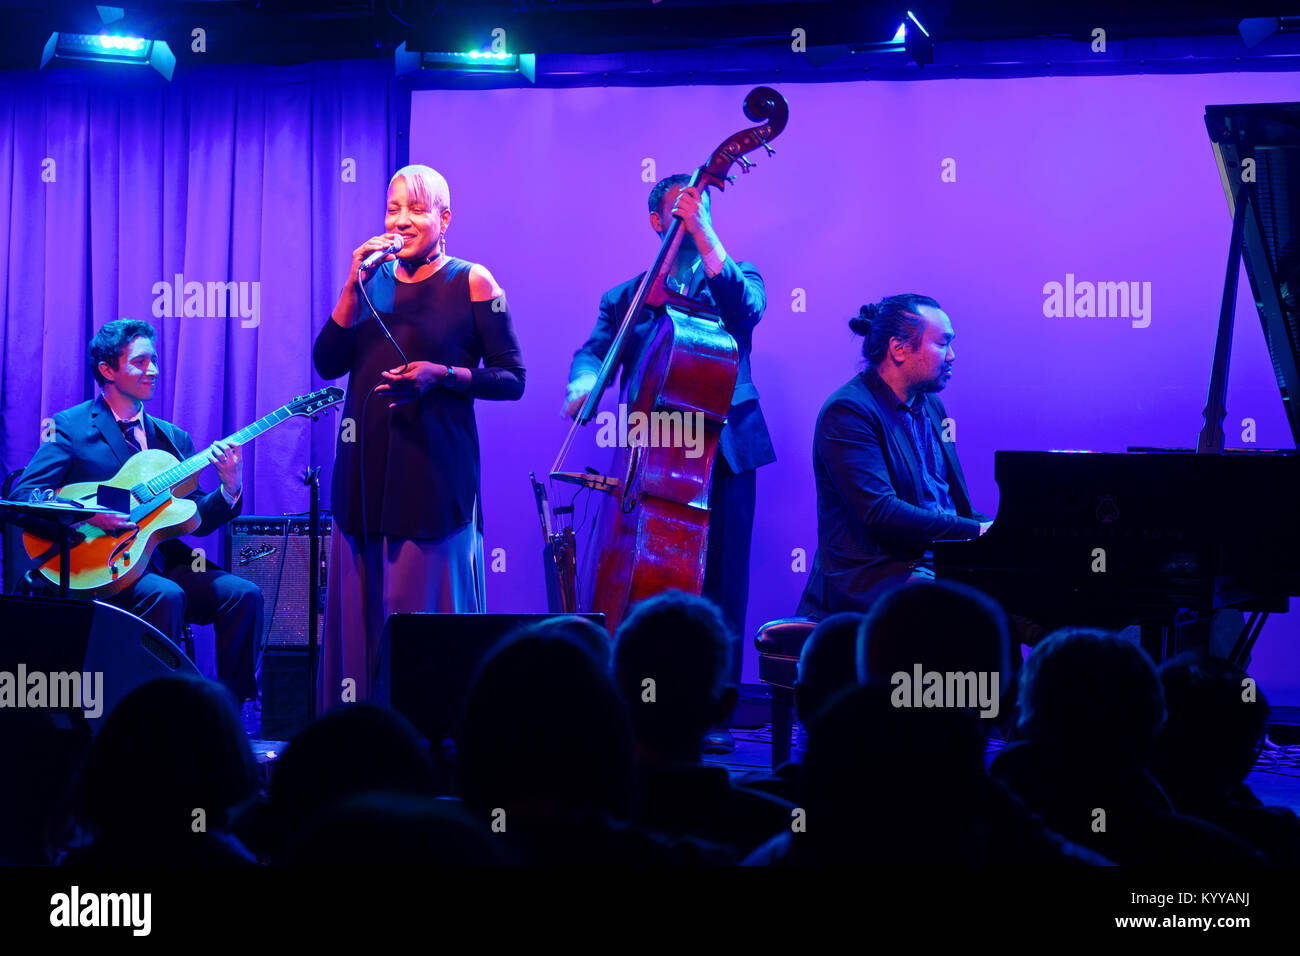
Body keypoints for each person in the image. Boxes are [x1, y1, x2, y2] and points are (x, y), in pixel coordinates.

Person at [565, 174, 776, 750]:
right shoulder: (627, 296)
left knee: (723, 581)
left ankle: (713, 713)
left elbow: (746, 310)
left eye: (701, 209)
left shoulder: (734, 276)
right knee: (644, 577)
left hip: (723, 450)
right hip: (652, 449)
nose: (689, 218)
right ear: (657, 222)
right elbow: (594, 349)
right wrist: (585, 381)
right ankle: (634, 699)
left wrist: (706, 234)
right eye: (679, 212)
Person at [313, 164, 525, 708]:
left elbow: (511, 378)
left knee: (419, 623)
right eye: (392, 208)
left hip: (432, 473)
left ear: (444, 219)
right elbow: (326, 362)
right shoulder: (370, 283)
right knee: (359, 621)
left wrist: (443, 376)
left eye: (416, 209)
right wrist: (349, 287)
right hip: (365, 470)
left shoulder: (475, 281)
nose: (401, 220)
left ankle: (434, 742)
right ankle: (359, 741)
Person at [13, 320, 261, 719]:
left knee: (242, 594)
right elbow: (25, 496)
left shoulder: (173, 439)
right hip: (96, 563)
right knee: (165, 595)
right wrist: (89, 515)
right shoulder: (71, 428)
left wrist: (229, 488)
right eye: (141, 361)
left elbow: (194, 516)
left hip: (158, 559)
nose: (154, 370)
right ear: (108, 370)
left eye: (155, 361)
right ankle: (146, 718)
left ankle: (227, 718)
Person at [797, 294, 991, 619]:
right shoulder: (848, 411)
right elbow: (880, 511)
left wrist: (997, 534)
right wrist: (974, 532)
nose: (953, 356)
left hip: (935, 562)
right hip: (879, 576)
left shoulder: (931, 406)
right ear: (899, 349)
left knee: (1031, 594)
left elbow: (951, 505)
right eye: (943, 344)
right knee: (974, 612)